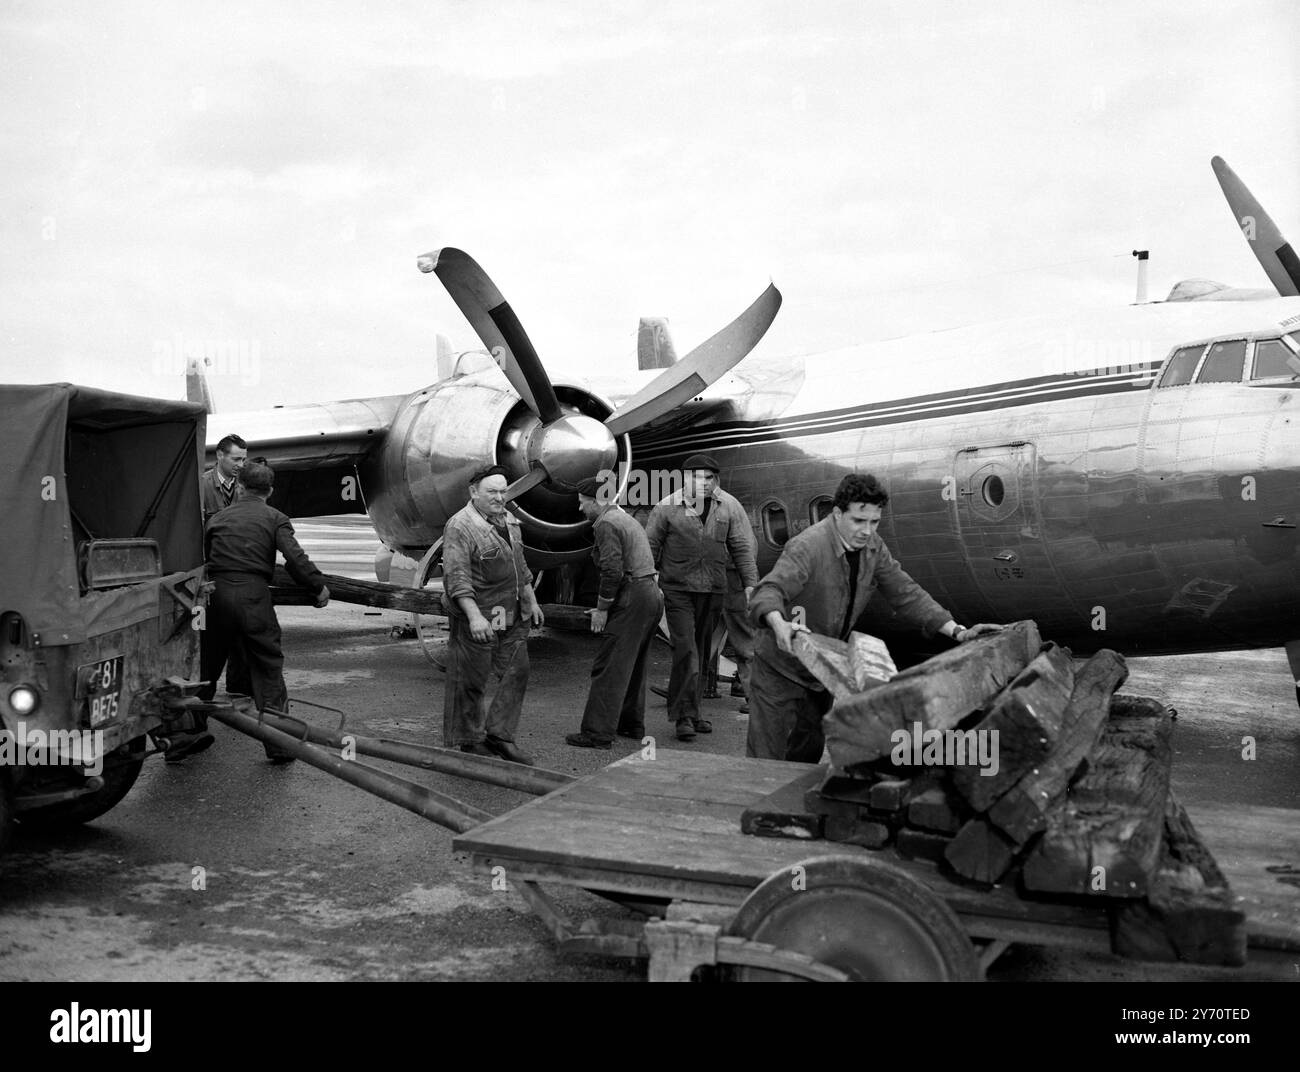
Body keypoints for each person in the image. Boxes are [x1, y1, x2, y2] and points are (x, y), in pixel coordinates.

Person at [747, 472, 1002, 763]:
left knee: (805, 759)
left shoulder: (873, 547)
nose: (867, 531)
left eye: (874, 522)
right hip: (780, 669)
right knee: (764, 761)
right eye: (858, 521)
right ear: (838, 513)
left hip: (820, 670)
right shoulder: (807, 546)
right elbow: (769, 590)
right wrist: (779, 624)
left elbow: (906, 592)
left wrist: (958, 632)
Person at [197, 461, 331, 763]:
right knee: (267, 668)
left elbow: (204, 557)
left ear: (240, 487)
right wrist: (317, 587)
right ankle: (279, 746)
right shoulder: (275, 518)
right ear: (270, 490)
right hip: (254, 599)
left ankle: (187, 735)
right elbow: (295, 558)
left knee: (205, 668)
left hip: (214, 599)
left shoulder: (217, 519)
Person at [646, 453, 758, 741]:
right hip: (678, 591)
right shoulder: (667, 506)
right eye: (697, 477)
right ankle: (683, 716)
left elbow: (742, 548)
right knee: (687, 651)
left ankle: (694, 713)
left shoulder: (728, 506)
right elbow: (650, 548)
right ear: (685, 478)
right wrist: (651, 581)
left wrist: (750, 585)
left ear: (716, 480)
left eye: (709, 478)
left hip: (713, 590)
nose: (704, 483)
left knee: (701, 650)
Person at [441, 465, 544, 765]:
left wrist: (532, 600)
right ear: (474, 492)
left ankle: (500, 735)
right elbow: (457, 578)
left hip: (508, 611)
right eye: (492, 492)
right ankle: (470, 740)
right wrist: (474, 617)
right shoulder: (460, 526)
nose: (500, 497)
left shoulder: (508, 520)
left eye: (503, 491)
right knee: (472, 679)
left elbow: (520, 568)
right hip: (480, 613)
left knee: (517, 669)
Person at [565, 476, 664, 749]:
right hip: (651, 594)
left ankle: (597, 733)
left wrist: (602, 608)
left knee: (609, 666)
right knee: (633, 664)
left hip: (633, 596)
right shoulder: (626, 519)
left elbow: (612, 570)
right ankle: (630, 724)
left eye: (583, 504)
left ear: (598, 501)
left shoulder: (606, 523)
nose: (580, 510)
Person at [200, 434, 248, 526]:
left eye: (243, 460)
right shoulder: (202, 484)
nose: (241, 465)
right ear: (220, 455)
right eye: (236, 459)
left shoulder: (247, 484)